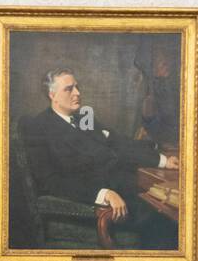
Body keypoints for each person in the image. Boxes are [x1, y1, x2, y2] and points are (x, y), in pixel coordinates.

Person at [20, 68, 179, 249]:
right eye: (69, 89)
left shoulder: (84, 118)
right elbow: (51, 182)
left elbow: (117, 142)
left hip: (127, 188)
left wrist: (163, 160)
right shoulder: (38, 127)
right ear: (52, 95)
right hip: (95, 204)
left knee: (171, 210)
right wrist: (102, 194)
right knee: (166, 220)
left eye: (77, 87)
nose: (77, 93)